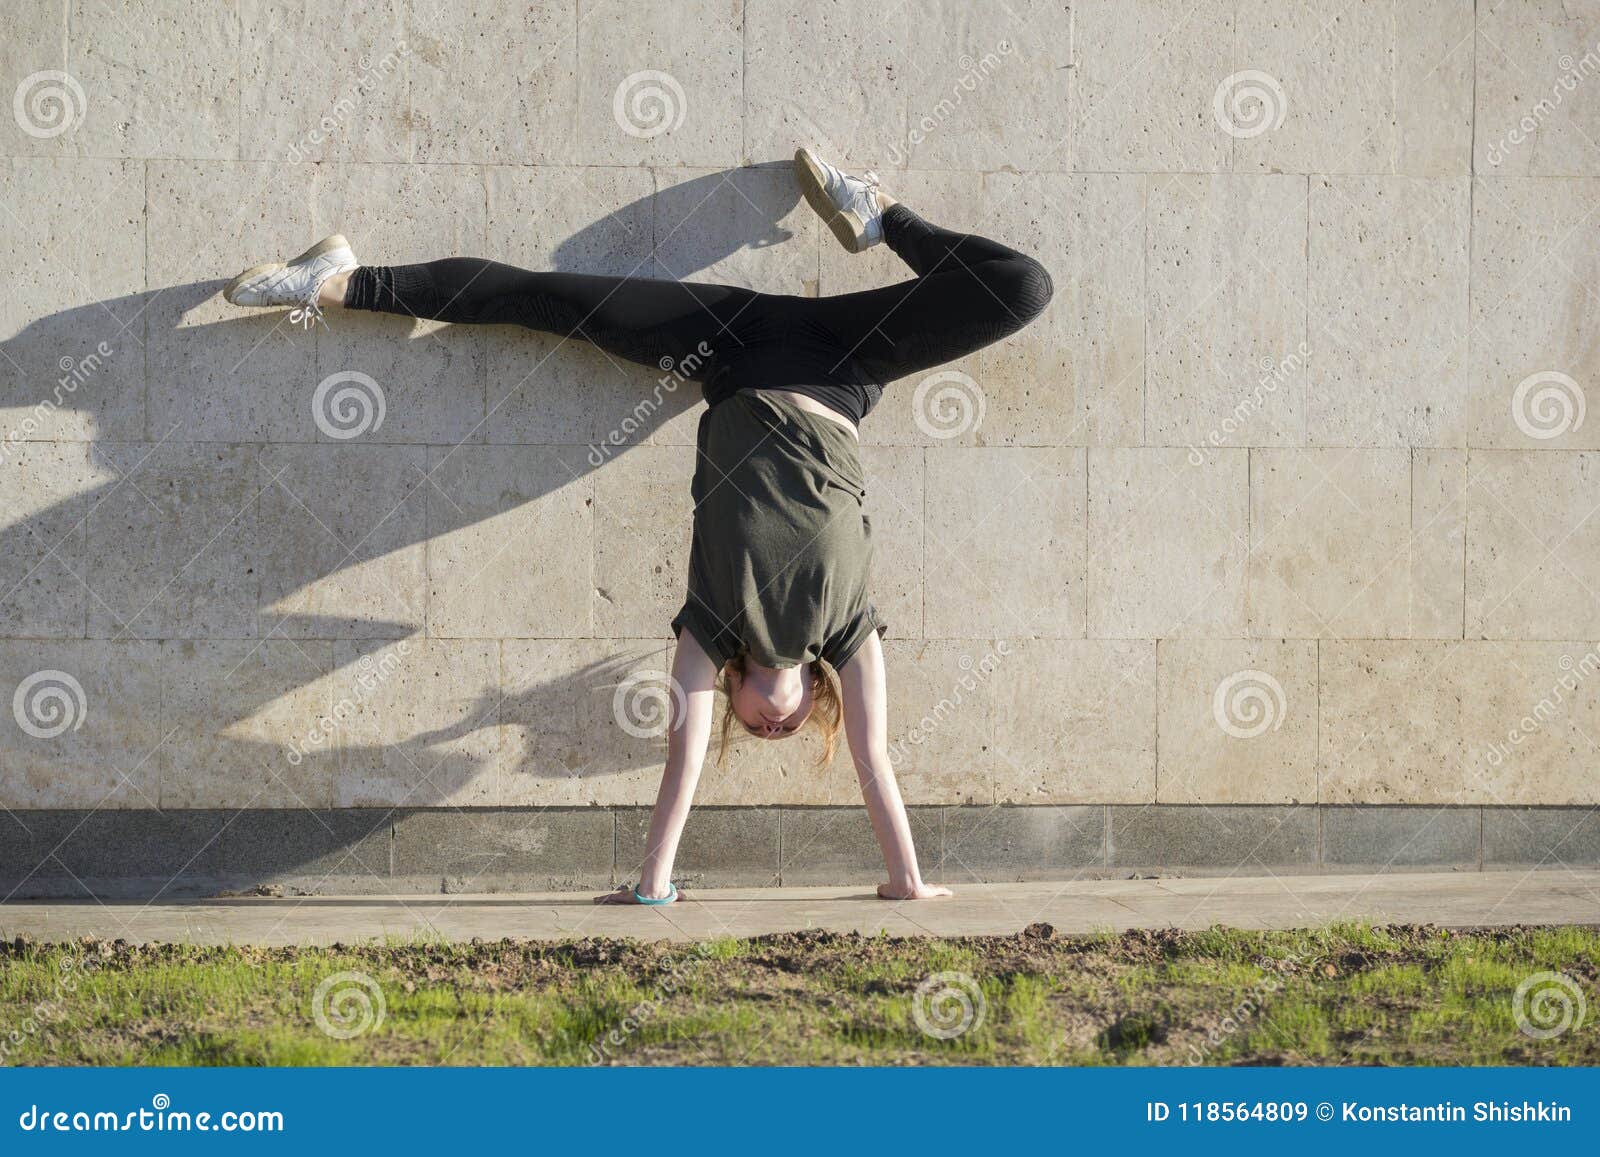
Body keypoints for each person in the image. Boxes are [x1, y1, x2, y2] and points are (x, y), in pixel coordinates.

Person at [224, 148, 1053, 904]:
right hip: (844, 363)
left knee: (542, 299)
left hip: (727, 351)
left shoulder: (712, 628)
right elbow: (874, 764)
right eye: (792, 726)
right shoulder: (849, 632)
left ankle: (336, 282)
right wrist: (908, 882)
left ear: (730, 688)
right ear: (812, 696)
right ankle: (882, 216)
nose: (775, 725)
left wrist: (652, 886)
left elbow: (683, 762)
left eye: (756, 728)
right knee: (1022, 287)